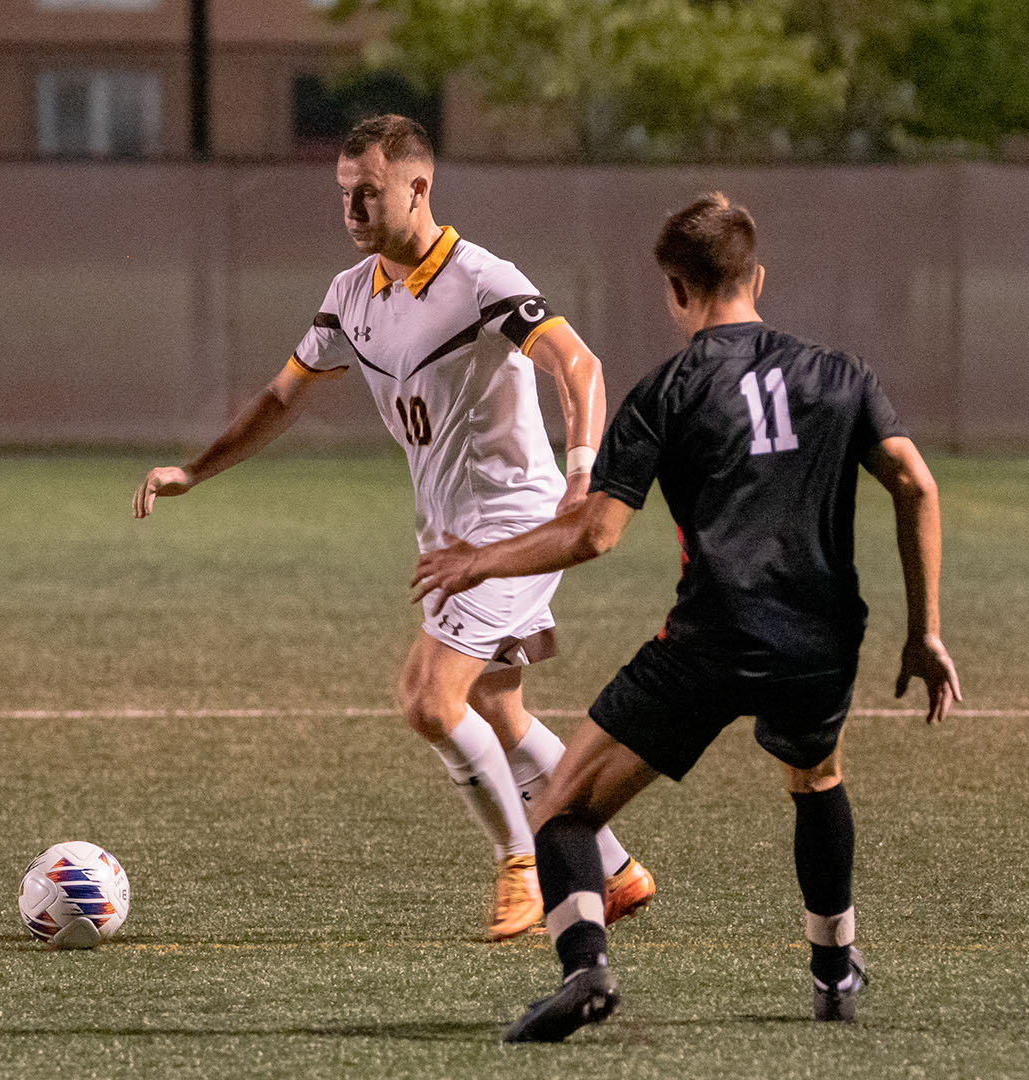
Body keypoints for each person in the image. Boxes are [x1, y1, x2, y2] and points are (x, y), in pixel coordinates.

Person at [411, 192, 962, 1040]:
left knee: (561, 809)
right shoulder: (839, 374)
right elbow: (916, 485)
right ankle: (833, 967)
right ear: (757, 277)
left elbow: (595, 534)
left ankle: (587, 969)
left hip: (710, 641)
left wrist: (476, 558)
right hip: (821, 638)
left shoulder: (668, 389)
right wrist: (924, 632)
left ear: (675, 289)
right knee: (816, 780)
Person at [133, 115, 653, 941]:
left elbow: (578, 365)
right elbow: (281, 398)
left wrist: (584, 472)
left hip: (511, 529)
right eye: (344, 194)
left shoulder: (482, 280)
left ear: (419, 187)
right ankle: (615, 869)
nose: (351, 210)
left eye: (367, 193)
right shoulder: (352, 295)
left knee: (427, 699)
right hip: (448, 540)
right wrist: (195, 469)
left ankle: (525, 864)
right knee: (498, 710)